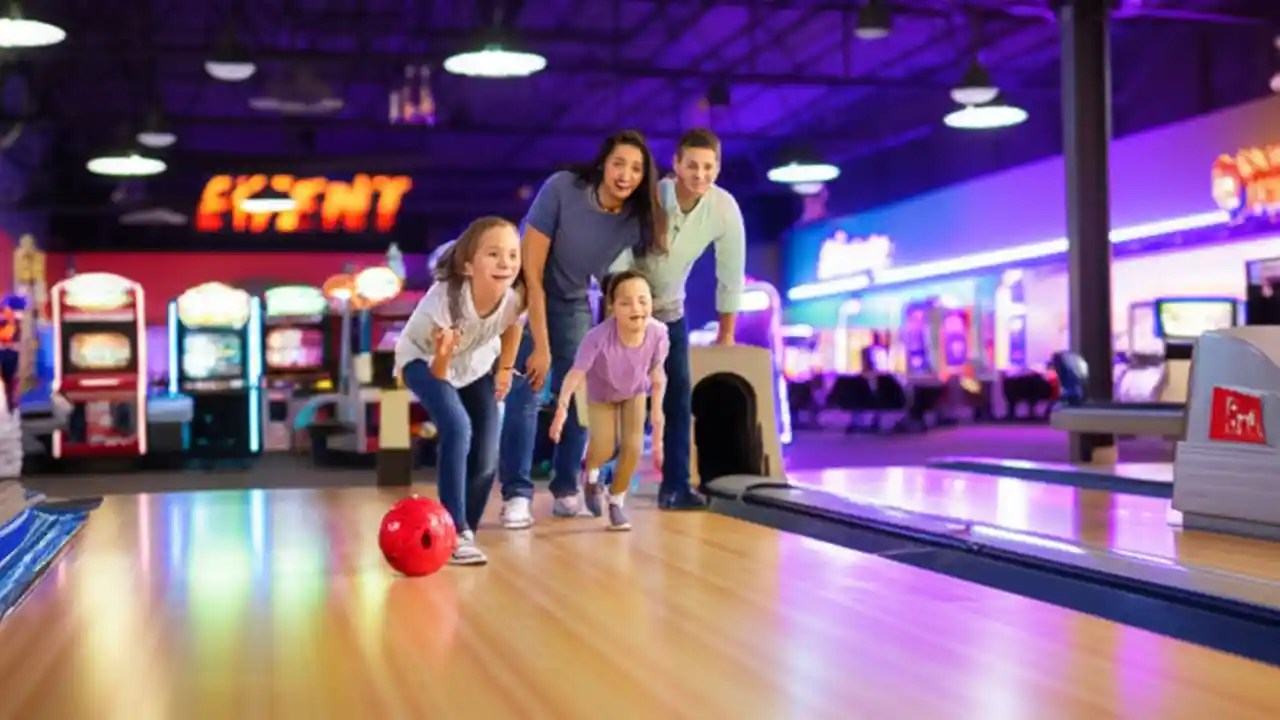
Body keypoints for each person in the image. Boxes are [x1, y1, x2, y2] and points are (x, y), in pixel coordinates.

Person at [498, 130, 667, 530]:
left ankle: (564, 484)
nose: (625, 175)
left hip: (574, 298)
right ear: (603, 164)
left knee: (580, 397)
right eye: (619, 164)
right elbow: (532, 276)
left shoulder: (634, 221)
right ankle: (516, 495)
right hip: (526, 293)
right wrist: (539, 344)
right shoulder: (562, 188)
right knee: (529, 389)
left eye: (636, 169)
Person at [607, 128, 746, 510]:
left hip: (671, 310)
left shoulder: (724, 208)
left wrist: (726, 334)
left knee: (678, 398)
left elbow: (730, 272)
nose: (700, 174)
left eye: (708, 167)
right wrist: (622, 309)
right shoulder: (652, 196)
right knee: (622, 394)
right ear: (677, 165)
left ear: (717, 168)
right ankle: (603, 477)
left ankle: (676, 487)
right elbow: (618, 254)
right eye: (692, 166)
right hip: (624, 305)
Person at [395, 216, 525, 565]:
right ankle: (455, 530)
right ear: (468, 264)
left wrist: (506, 370)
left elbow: (513, 328)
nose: (505, 263)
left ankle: (464, 531)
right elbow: (440, 372)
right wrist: (444, 351)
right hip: (424, 362)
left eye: (513, 255)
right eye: (493, 254)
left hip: (477, 365)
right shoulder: (446, 300)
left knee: (485, 455)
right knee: (457, 428)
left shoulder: (512, 299)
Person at [548, 271, 668, 531]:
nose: (636, 308)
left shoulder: (659, 334)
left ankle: (616, 501)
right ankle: (591, 474)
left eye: (643, 300)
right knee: (603, 446)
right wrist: (562, 409)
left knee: (633, 448)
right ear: (613, 307)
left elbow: (658, 375)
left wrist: (657, 421)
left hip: (634, 393)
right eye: (626, 302)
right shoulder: (597, 337)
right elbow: (575, 374)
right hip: (601, 395)